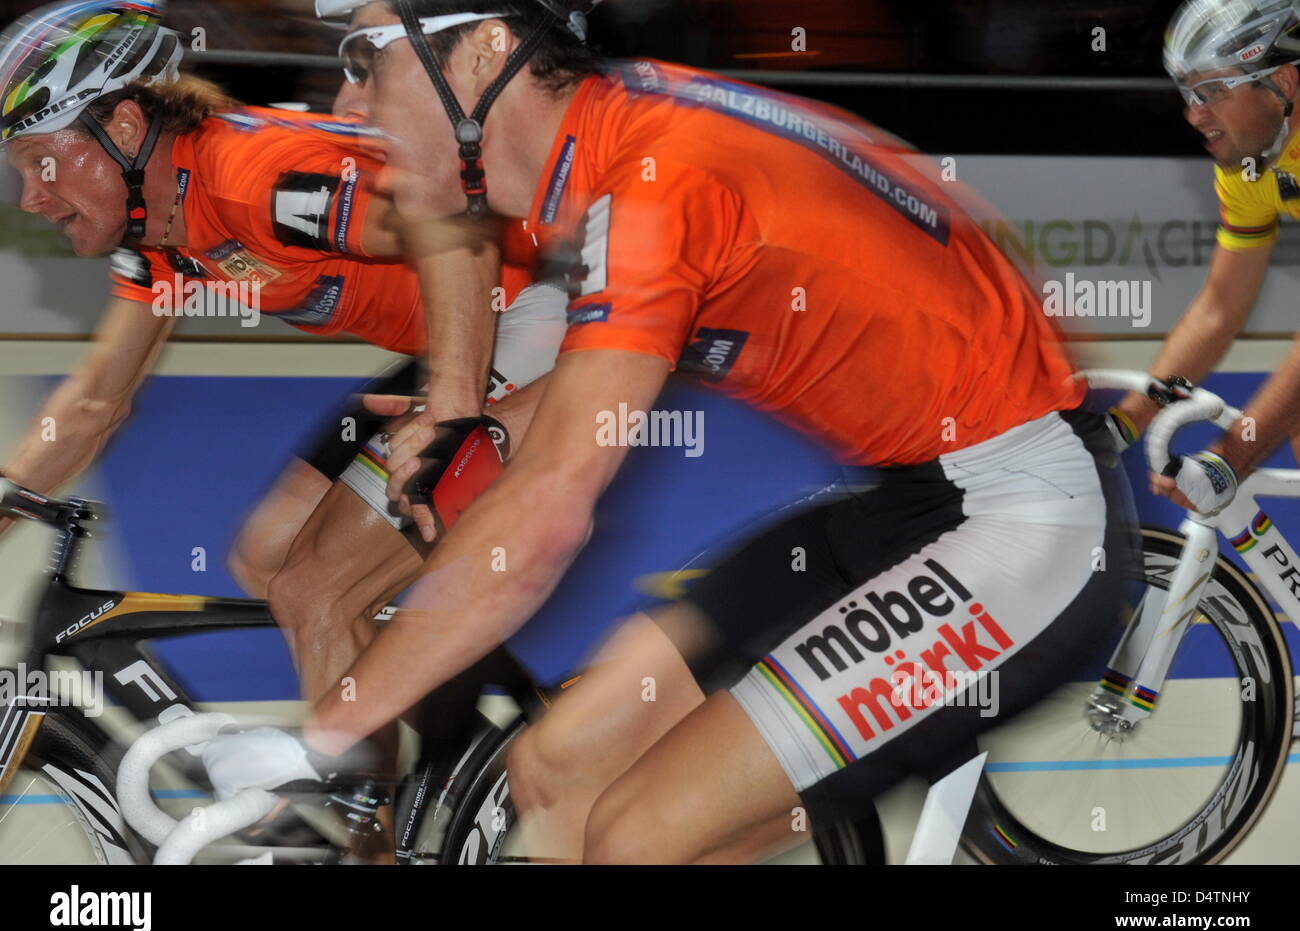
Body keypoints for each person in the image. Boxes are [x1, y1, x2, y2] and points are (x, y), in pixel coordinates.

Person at [201, 0, 1136, 864]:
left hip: (1021, 522)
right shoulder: (621, 137)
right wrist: (478, 420)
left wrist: (324, 736)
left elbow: (543, 520)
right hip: (914, 498)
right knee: (556, 767)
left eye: (367, 57)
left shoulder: (650, 181)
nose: (347, 99)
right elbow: (610, 378)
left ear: (485, 49)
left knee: (637, 835)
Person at [0, 0, 566, 715]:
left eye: (41, 161)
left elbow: (459, 224)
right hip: (490, 321)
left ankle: (366, 813)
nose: (30, 196)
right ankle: (420, 710)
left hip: (555, 306)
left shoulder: (253, 180)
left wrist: (454, 409)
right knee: (270, 553)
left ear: (123, 126)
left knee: (316, 590)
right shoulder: (160, 227)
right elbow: (92, 402)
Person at [1116, 0, 1300, 517]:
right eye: (1188, 94)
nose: (1194, 114)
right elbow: (1219, 309)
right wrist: (1124, 423)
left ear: (1283, 82)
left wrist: (1230, 459)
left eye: (1213, 90)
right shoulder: (1249, 166)